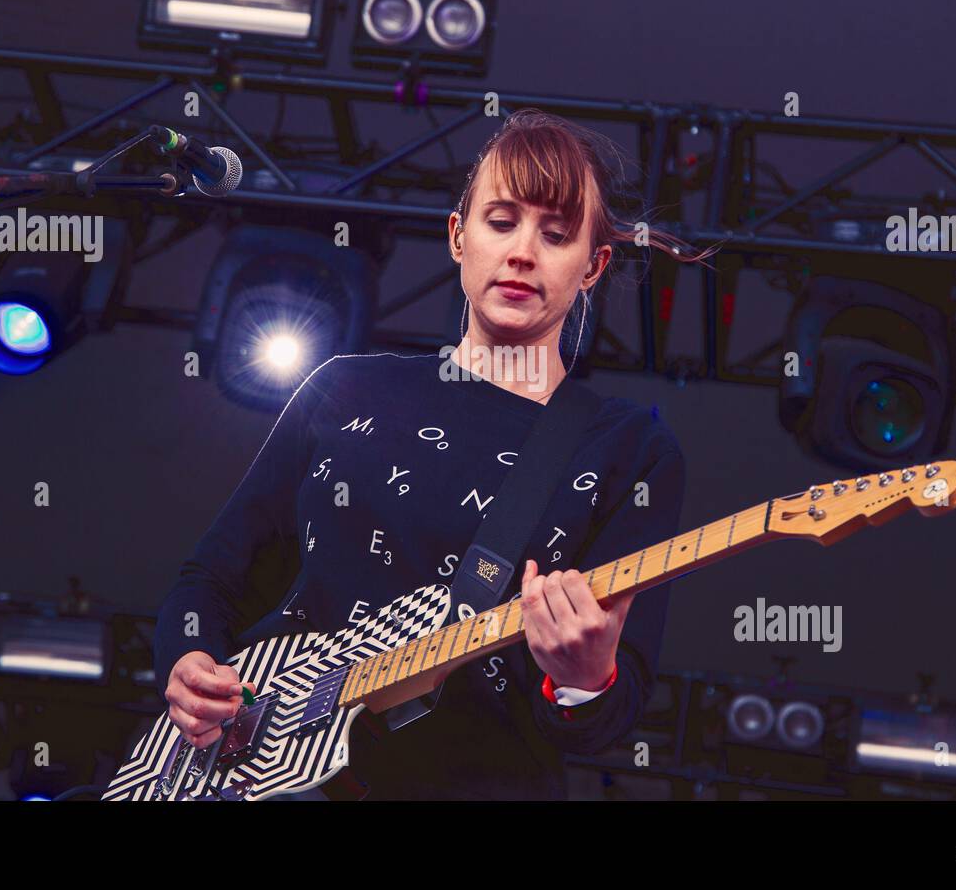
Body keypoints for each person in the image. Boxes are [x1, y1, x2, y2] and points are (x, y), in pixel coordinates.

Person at [152, 108, 711, 799]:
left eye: (557, 234)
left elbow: (604, 722)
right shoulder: (345, 386)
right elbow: (210, 577)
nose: (523, 252)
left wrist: (583, 678)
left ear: (593, 266)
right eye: (501, 222)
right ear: (458, 236)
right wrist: (189, 662)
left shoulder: (630, 450)